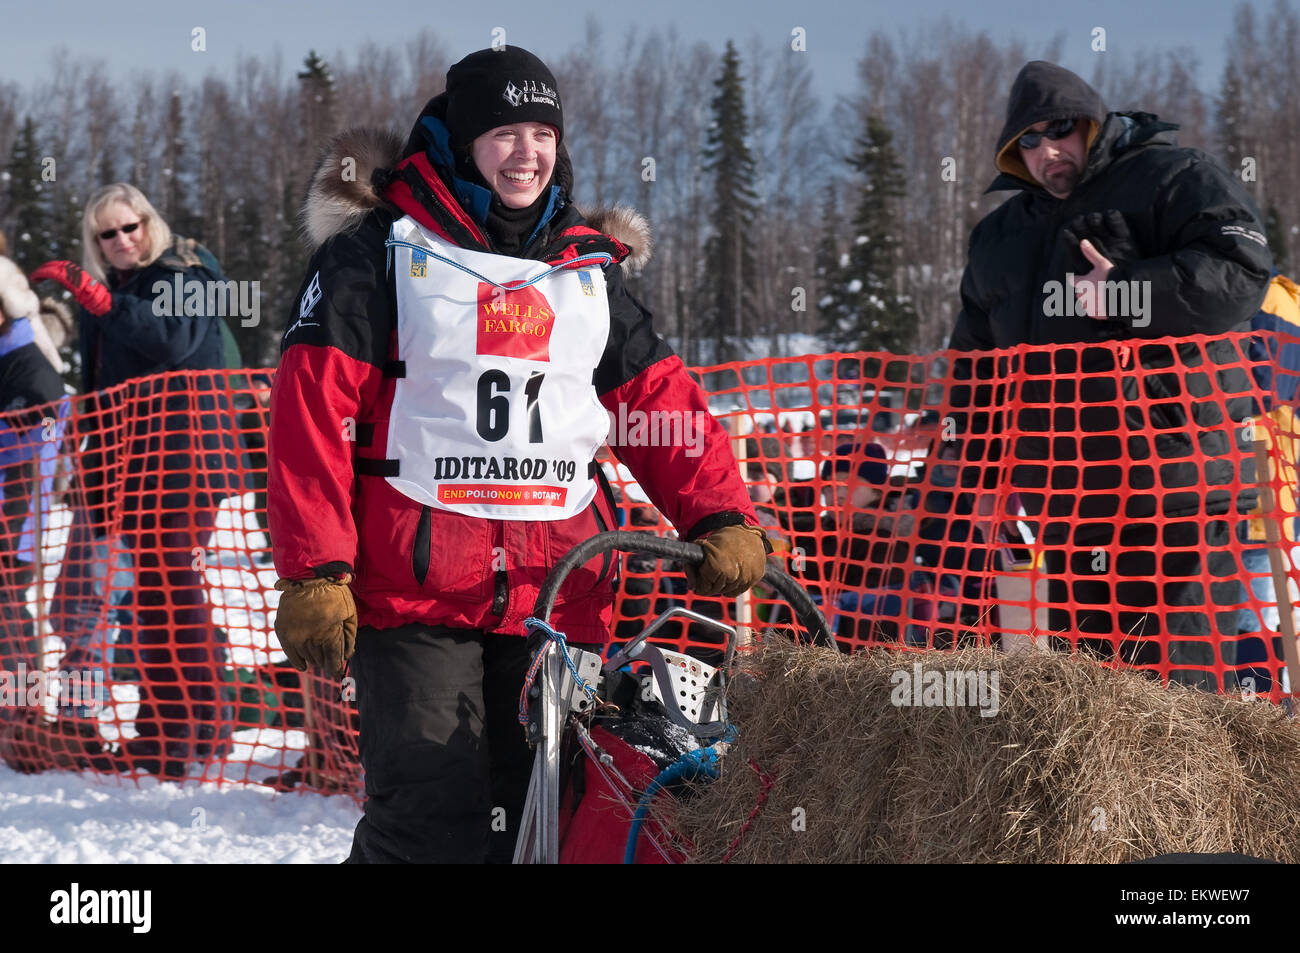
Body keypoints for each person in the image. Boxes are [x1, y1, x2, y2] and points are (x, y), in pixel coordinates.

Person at [268, 46, 770, 863]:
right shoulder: (377, 253)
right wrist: (315, 570)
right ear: (462, 141)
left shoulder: (583, 269)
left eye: (542, 132)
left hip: (558, 598)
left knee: (545, 820)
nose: (527, 152)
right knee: (429, 825)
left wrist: (719, 513)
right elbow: (311, 411)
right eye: (504, 132)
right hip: (416, 597)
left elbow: (657, 401)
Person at [948, 61, 1274, 689]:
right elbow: (976, 367)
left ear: (1092, 122)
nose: (1048, 151)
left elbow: (1242, 271)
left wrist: (1129, 293)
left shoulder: (1171, 176)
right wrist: (982, 476)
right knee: (1096, 702)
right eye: (1029, 143)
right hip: (1068, 504)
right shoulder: (998, 236)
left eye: (1060, 129)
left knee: (1177, 696)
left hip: (1179, 488)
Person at [28, 183, 240, 777]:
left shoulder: (187, 272)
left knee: (170, 598)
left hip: (185, 465)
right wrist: (81, 456)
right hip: (129, 469)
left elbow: (169, 338)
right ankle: (192, 731)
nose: (123, 241)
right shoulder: (116, 292)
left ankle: (175, 735)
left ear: (150, 223)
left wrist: (96, 299)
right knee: (159, 602)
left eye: (131, 226)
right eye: (107, 234)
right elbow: (101, 388)